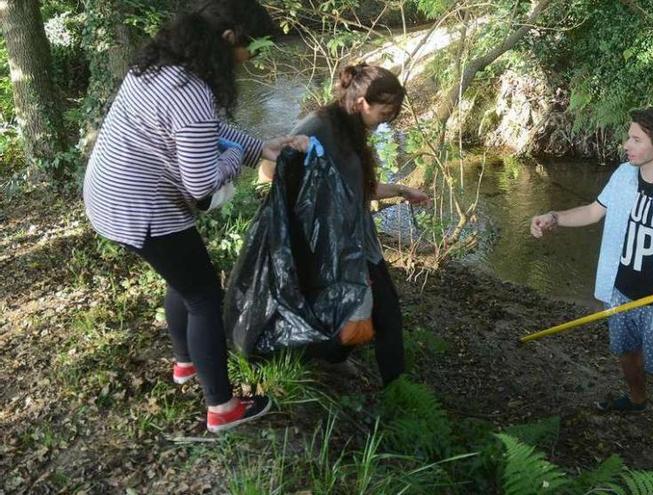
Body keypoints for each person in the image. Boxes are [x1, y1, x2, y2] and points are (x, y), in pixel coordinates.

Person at [83, 0, 308, 433]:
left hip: (107, 195)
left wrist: (259, 147)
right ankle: (222, 407)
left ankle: (186, 364)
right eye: (250, 49)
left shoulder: (159, 65)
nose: (252, 60)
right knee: (204, 294)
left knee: (182, 279)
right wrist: (233, 162)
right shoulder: (193, 92)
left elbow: (206, 130)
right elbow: (202, 185)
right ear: (228, 38)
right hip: (141, 210)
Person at [530, 108, 653, 452]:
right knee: (626, 352)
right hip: (620, 290)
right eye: (629, 136)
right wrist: (553, 217)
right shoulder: (623, 176)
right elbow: (592, 211)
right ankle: (637, 399)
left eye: (635, 139)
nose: (626, 144)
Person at [261, 63, 429, 386]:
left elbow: (358, 188)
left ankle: (350, 368)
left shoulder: (354, 131)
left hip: (360, 241)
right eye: (385, 111)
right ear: (362, 101)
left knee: (380, 314)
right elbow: (269, 170)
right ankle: (385, 388)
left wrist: (401, 190)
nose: (387, 119)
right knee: (370, 317)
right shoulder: (320, 125)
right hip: (331, 245)